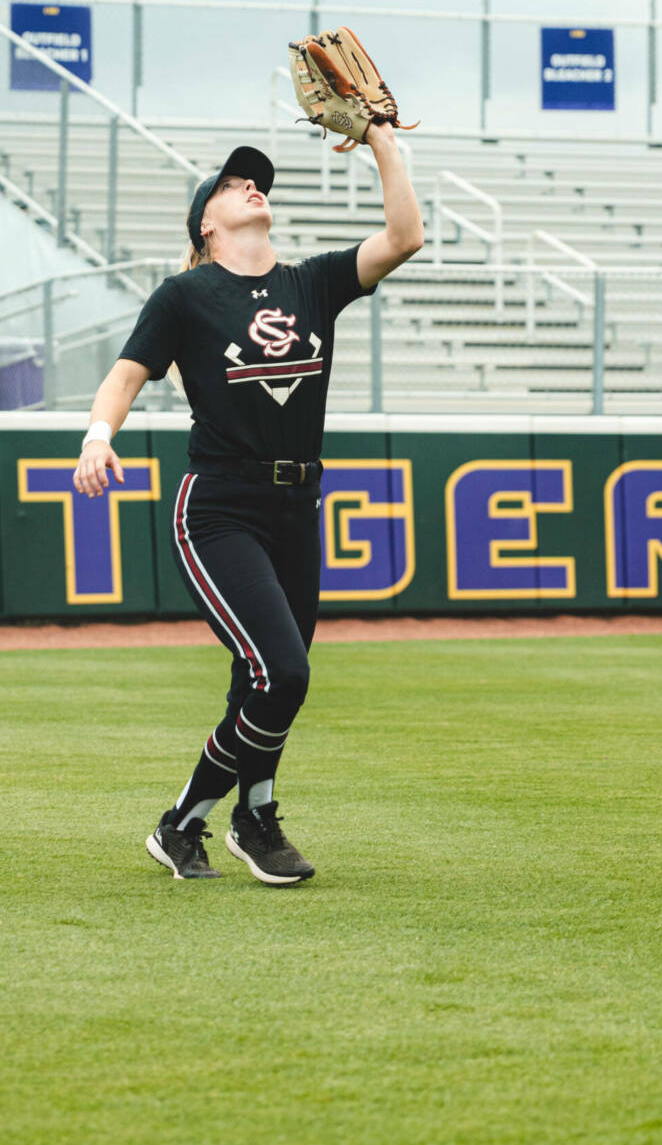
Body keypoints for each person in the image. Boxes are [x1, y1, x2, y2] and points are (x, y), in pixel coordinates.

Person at [73, 124, 423, 884]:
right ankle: (214, 819)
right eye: (233, 184)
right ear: (207, 221)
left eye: (255, 181)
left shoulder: (313, 283)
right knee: (284, 674)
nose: (251, 186)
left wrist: (381, 142)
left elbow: (405, 236)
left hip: (298, 508)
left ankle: (220, 822)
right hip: (220, 508)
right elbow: (127, 375)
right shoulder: (186, 296)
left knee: (261, 681)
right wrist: (98, 436)